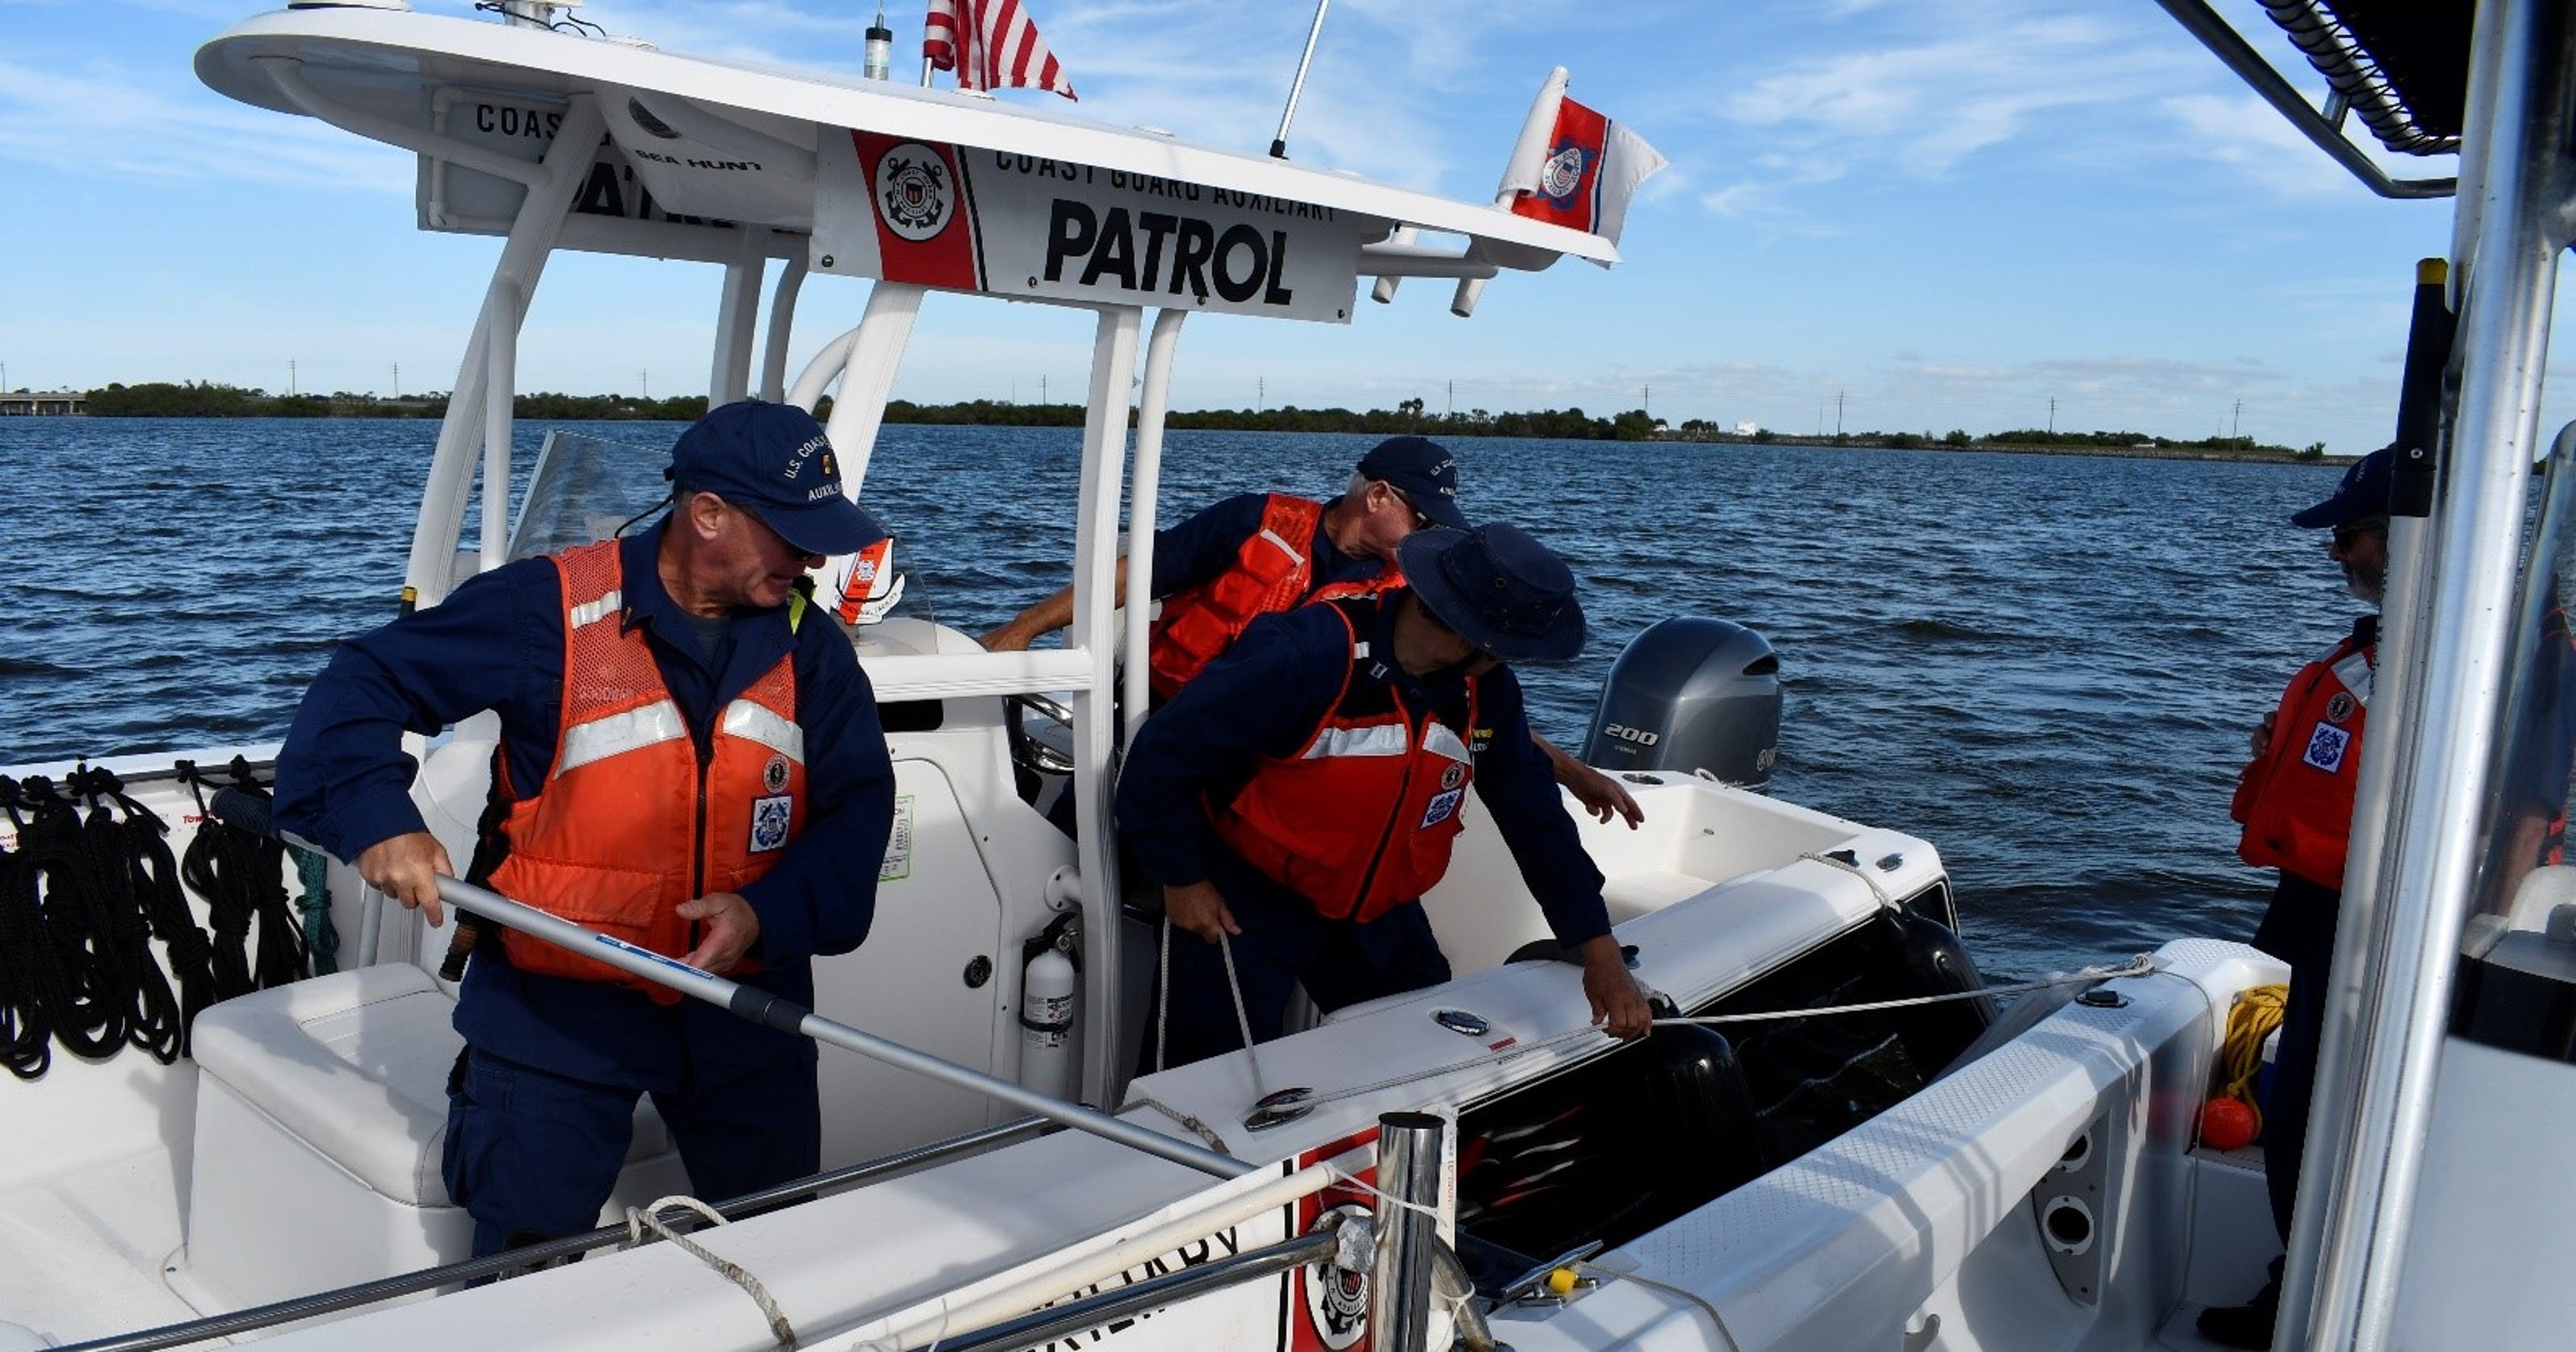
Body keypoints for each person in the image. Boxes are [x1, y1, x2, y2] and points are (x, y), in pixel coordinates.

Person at [275, 401, 897, 1258]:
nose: (813, 559)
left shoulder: (810, 646)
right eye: (792, 536)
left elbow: (858, 807)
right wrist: (381, 820)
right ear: (706, 513)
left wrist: (766, 915)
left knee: (778, 1245)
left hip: (743, 1004)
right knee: (527, 1265)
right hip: (554, 1009)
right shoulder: (545, 610)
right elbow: (364, 680)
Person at [1115, 522, 1655, 1070]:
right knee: (1201, 1076)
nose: (1509, 664)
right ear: (1468, 639)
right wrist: (1182, 880)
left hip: (1379, 913)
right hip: (1247, 901)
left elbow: (1534, 814)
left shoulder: (1484, 689)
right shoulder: (1302, 655)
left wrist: (1598, 948)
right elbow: (1160, 759)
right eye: (1507, 651)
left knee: (1431, 1054)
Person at [980, 435, 1642, 827]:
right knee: (1073, 850)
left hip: (1262, 771)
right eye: (1423, 516)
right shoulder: (1255, 520)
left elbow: (1463, 701)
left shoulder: (1410, 597)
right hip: (1153, 727)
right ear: (1377, 497)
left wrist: (1569, 769)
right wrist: (1020, 630)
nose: (1435, 534)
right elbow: (1132, 575)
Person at [2200, 446, 2392, 1350]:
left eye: (2347, 535)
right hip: (2327, 910)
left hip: (2379, 928)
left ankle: (2310, 1303)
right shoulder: (2398, 647)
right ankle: (2300, 1282)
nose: (2334, 555)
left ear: (2400, 540)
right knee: (2300, 1112)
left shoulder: (2480, 659)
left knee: (2322, 1117)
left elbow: (2524, 815)